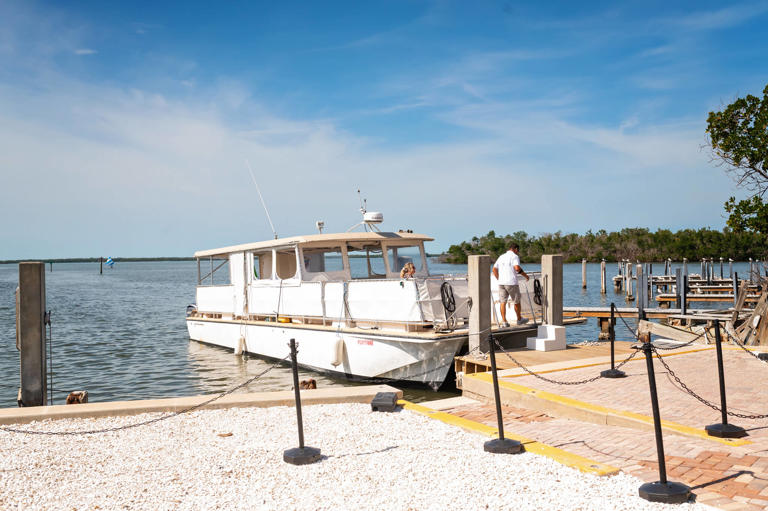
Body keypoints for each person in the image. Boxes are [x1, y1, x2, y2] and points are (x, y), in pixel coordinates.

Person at [492, 243, 530, 327]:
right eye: (518, 251)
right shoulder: (514, 256)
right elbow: (517, 268)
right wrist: (526, 276)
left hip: (501, 283)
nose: (518, 252)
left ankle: (504, 322)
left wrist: (499, 278)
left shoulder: (501, 256)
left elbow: (494, 269)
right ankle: (519, 319)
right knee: (516, 301)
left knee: (502, 302)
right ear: (515, 249)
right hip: (511, 283)